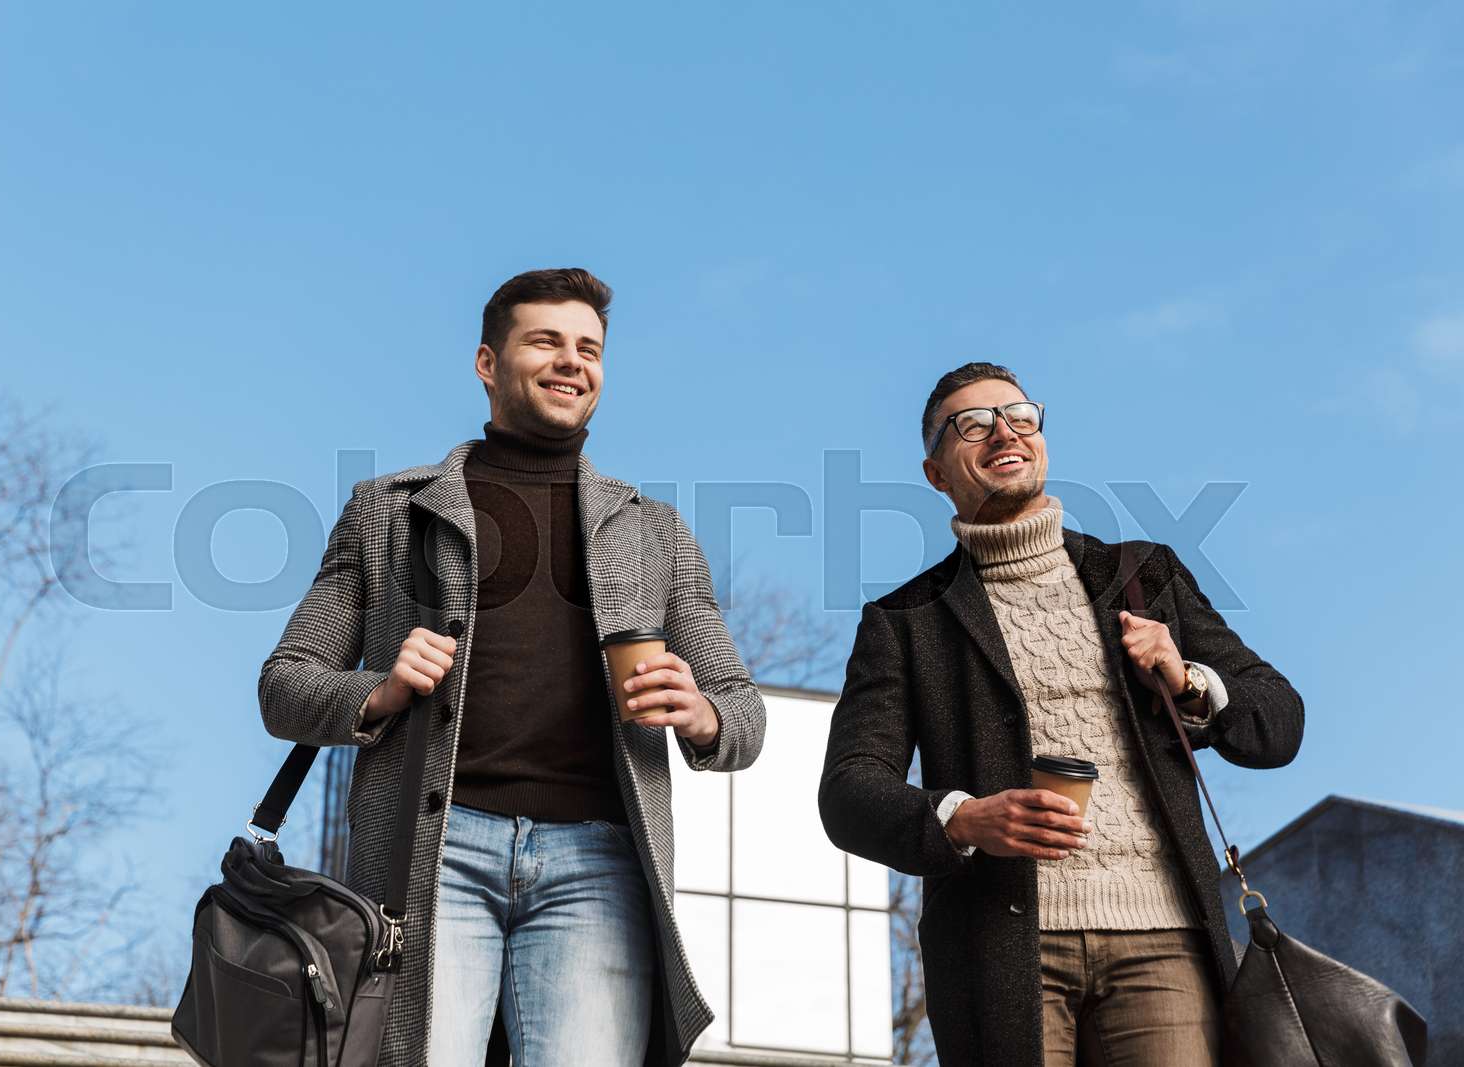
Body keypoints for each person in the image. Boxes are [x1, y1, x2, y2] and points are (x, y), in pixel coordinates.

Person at [260, 268, 764, 1066]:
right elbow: (286, 684)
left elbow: (742, 710)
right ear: (487, 363)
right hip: (435, 852)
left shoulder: (656, 532)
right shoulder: (388, 511)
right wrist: (381, 688)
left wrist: (700, 712)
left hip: (597, 865)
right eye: (547, 341)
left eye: (589, 348)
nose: (573, 361)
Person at [817, 361, 1303, 1066]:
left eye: (1019, 416)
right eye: (972, 425)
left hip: (1164, 939)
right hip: (1003, 952)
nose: (1003, 433)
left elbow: (1279, 721)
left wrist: (1190, 678)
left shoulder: (1146, 576)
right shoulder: (906, 622)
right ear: (936, 473)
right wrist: (962, 817)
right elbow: (849, 790)